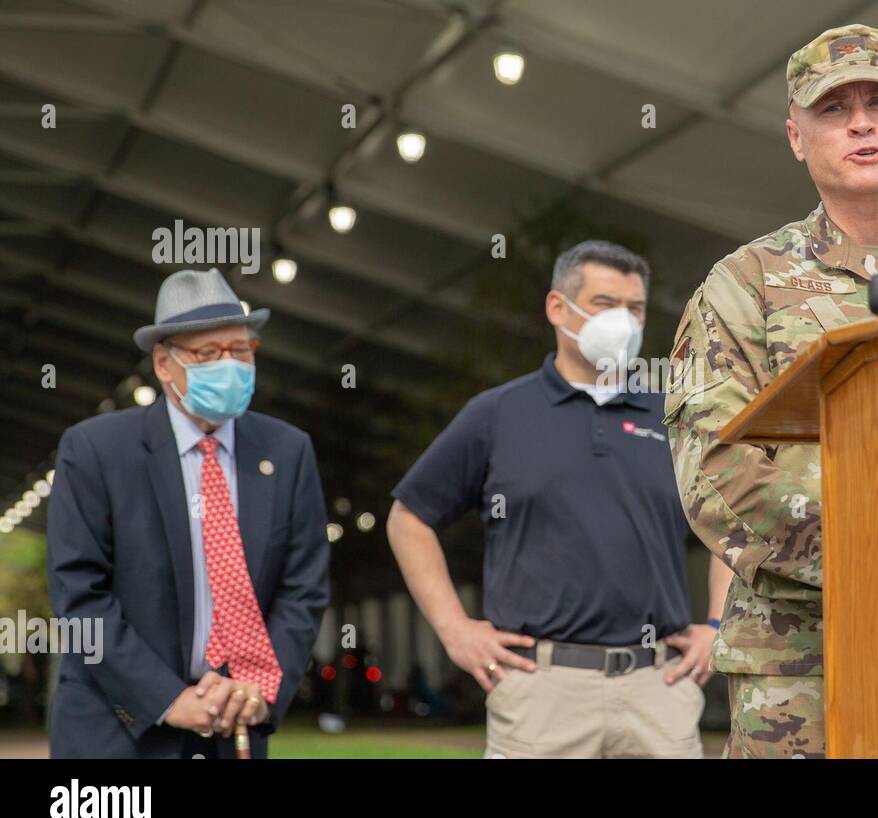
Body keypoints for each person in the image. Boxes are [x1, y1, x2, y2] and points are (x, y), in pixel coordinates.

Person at [664, 25, 878, 758]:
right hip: (806, 672)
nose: (861, 122)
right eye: (832, 108)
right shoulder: (743, 286)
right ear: (795, 136)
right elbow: (715, 475)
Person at [388, 240, 731, 758]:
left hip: (658, 691)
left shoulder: (676, 418)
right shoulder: (498, 414)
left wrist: (716, 627)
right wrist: (453, 629)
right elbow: (409, 517)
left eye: (634, 308)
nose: (623, 321)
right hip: (539, 694)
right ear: (557, 307)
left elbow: (728, 524)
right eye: (603, 304)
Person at [46, 268, 331, 758]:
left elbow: (303, 589)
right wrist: (168, 699)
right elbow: (78, 597)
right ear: (163, 363)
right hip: (116, 733)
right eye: (208, 353)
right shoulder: (95, 450)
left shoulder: (288, 452)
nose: (231, 365)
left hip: (234, 730)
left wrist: (258, 690)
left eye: (241, 351)